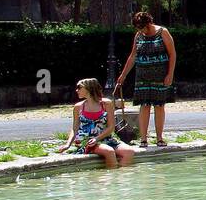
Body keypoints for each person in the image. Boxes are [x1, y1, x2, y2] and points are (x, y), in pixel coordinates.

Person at [115, 11, 176, 146]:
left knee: (159, 105)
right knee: (144, 105)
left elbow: (172, 54)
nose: (141, 29)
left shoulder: (163, 32)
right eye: (138, 27)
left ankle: (159, 138)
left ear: (149, 22)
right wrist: (123, 75)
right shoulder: (139, 35)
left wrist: (170, 74)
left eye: (142, 26)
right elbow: (133, 56)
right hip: (142, 76)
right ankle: (143, 139)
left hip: (160, 75)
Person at [58, 78, 134, 168]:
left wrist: (97, 139)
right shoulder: (78, 107)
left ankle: (120, 177)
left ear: (89, 88)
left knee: (129, 151)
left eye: (79, 87)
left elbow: (111, 127)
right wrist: (68, 144)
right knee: (109, 151)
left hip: (105, 138)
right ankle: (112, 176)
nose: (76, 90)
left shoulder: (106, 104)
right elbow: (75, 129)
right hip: (87, 140)